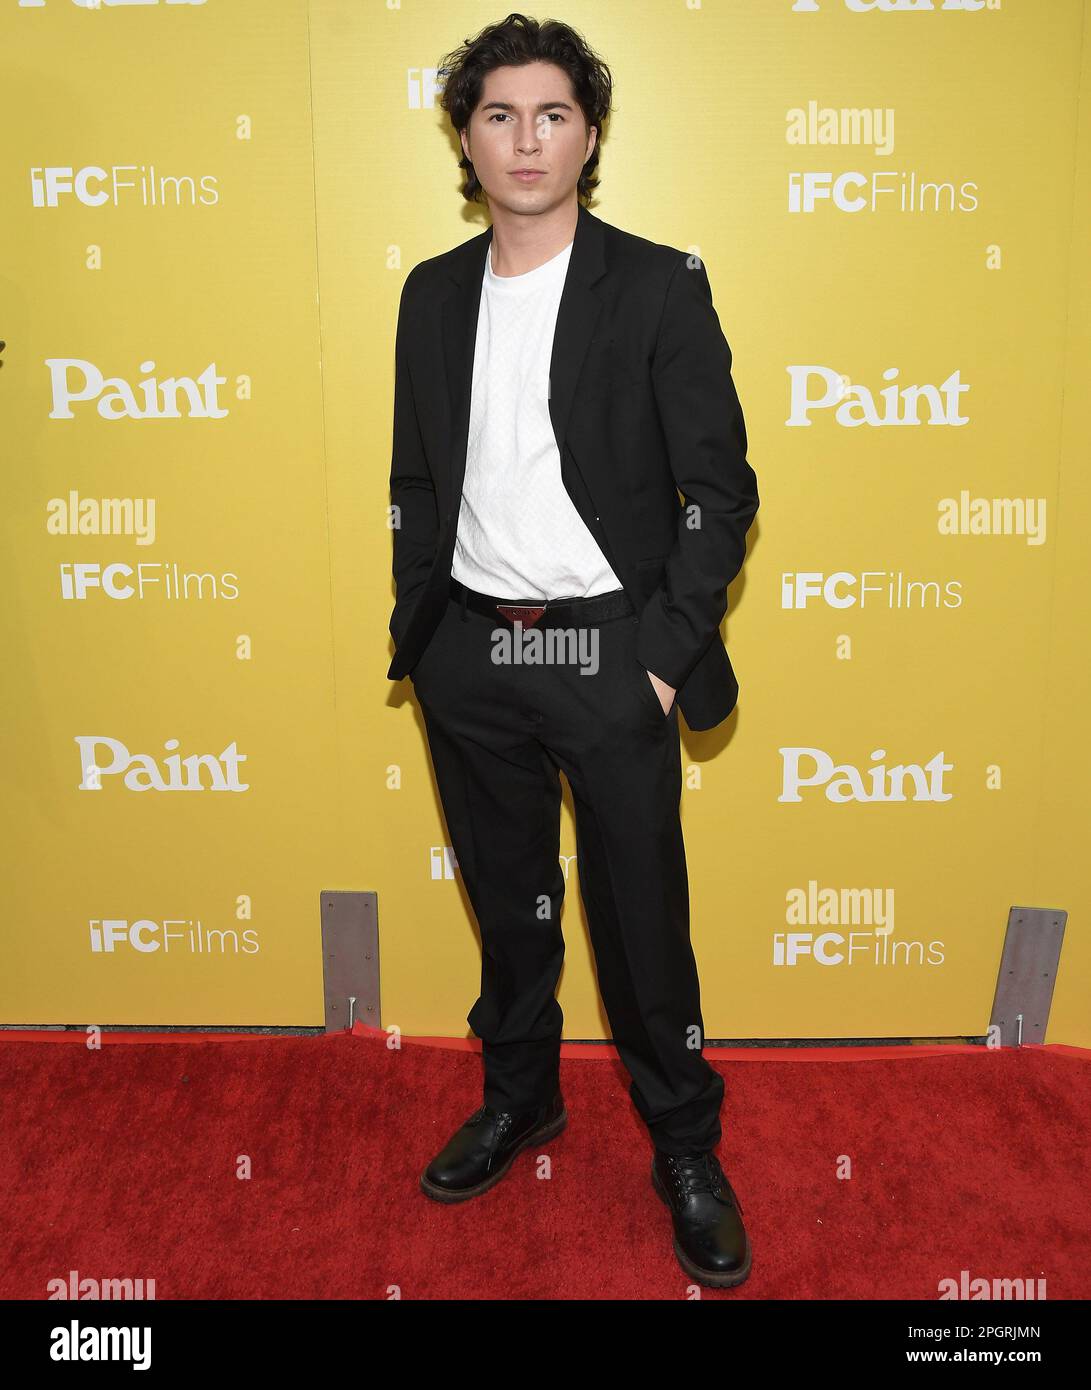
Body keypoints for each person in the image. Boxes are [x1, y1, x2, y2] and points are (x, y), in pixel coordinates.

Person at [386, 12, 759, 1289]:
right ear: (465, 136)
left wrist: (656, 656)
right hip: (472, 655)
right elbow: (415, 479)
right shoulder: (430, 294)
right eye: (498, 114)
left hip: (608, 653)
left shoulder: (656, 284)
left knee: (639, 922)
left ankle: (686, 1146)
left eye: (550, 113)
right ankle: (521, 1098)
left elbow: (718, 491)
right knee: (510, 908)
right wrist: (424, 625)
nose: (525, 138)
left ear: (588, 133)